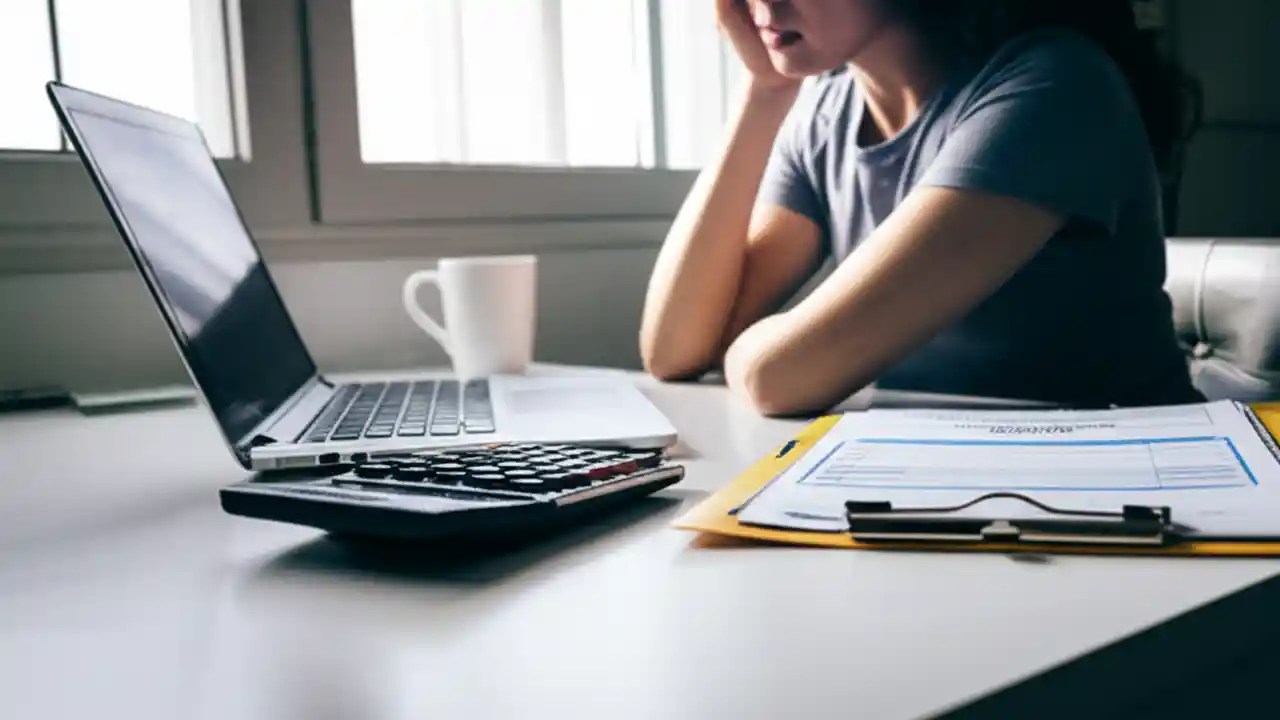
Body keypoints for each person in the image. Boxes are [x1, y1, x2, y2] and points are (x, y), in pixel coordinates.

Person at [639, 0, 1203, 415]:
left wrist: (740, 348)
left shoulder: (1051, 86)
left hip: (1128, 485)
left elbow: (777, 376)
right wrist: (763, 93)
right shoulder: (825, 113)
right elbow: (673, 349)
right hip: (943, 469)